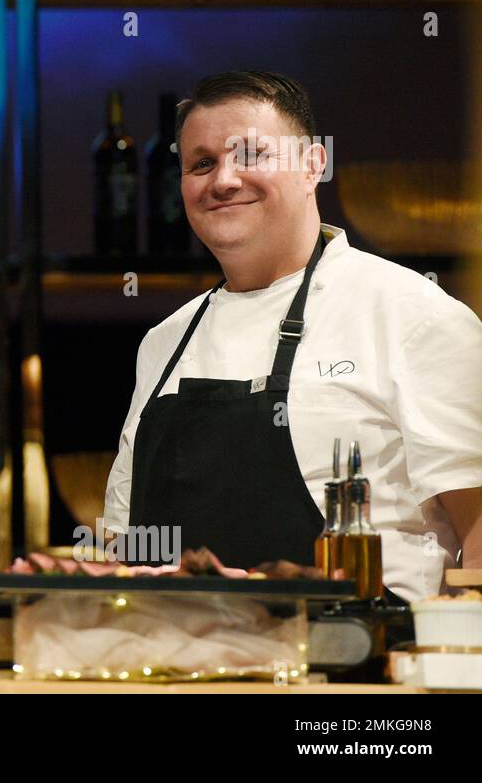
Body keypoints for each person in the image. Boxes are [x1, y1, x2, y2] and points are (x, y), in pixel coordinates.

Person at [103, 71, 482, 604]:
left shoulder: (413, 316)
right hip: (169, 673)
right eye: (201, 163)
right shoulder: (164, 343)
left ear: (313, 165)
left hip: (352, 670)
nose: (224, 180)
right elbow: (123, 545)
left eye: (252, 154)